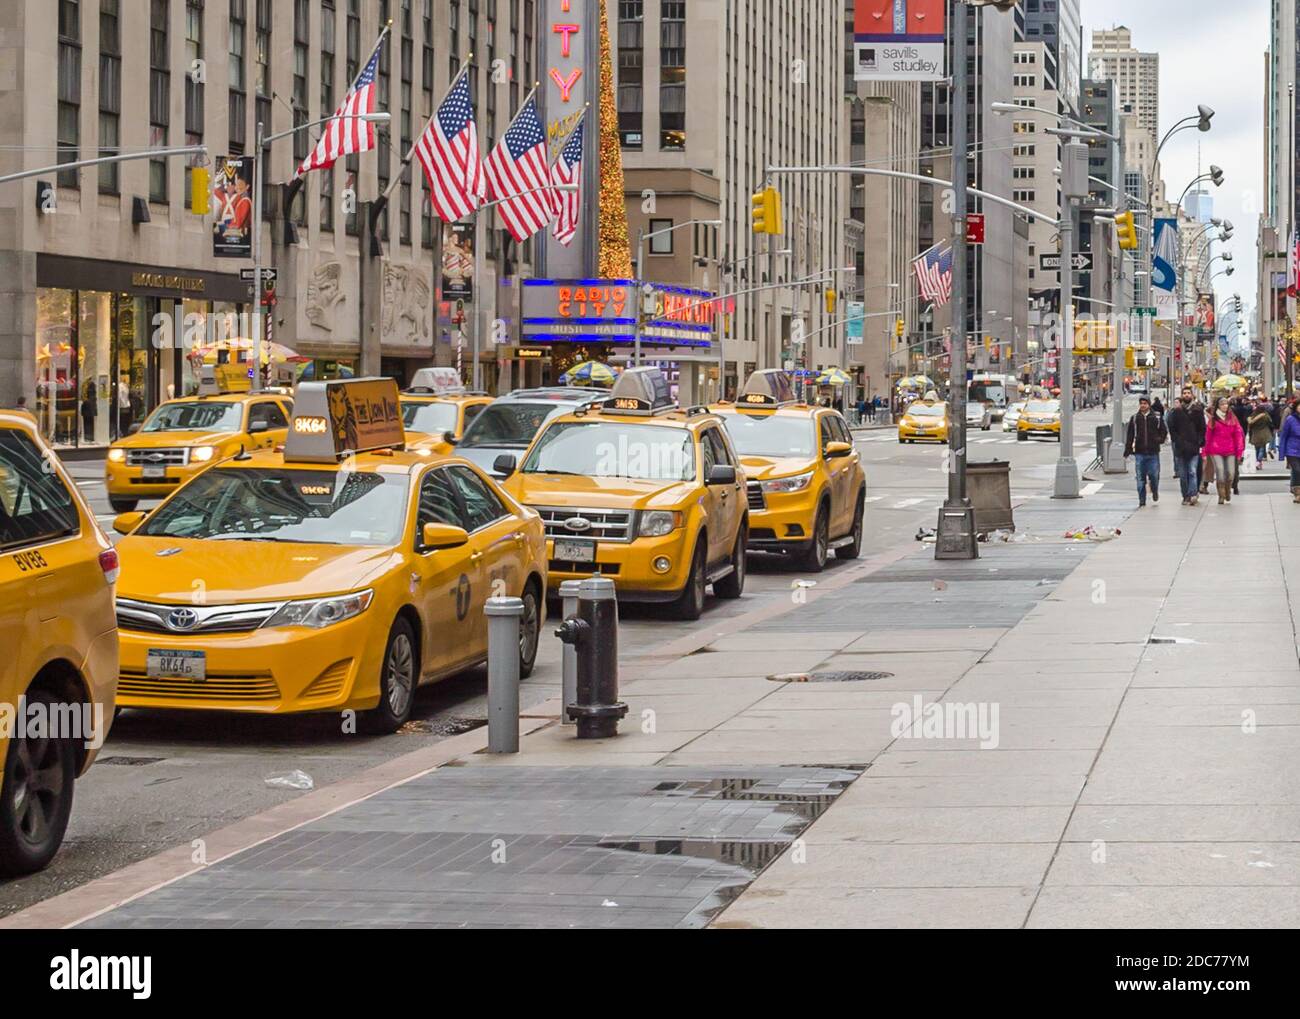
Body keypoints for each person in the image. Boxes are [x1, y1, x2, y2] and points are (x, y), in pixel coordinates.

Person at [1124, 395, 1168, 508]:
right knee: (1140, 478)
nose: (1143, 405)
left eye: (1145, 403)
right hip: (1139, 452)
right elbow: (1130, 435)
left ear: (1149, 404)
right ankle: (1142, 500)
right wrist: (1128, 449)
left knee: (1154, 475)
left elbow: (1163, 431)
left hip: (1153, 452)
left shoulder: (1156, 417)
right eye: (1141, 403)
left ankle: (1154, 490)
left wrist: (1159, 440)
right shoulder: (1135, 418)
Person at [1204, 396, 1245, 505]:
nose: (1225, 406)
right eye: (1222, 404)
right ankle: (1221, 494)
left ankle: (1228, 490)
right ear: (1218, 406)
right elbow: (1207, 436)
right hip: (1216, 449)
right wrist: (1205, 451)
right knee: (1220, 471)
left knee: (1231, 473)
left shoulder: (1233, 418)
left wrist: (1240, 450)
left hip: (1230, 449)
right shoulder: (1213, 419)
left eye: (1226, 404)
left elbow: (1238, 434)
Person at [1167, 395, 1205, 506]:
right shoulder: (1176, 412)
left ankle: (1193, 494)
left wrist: (1199, 441)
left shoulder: (1197, 411)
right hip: (1181, 447)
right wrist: (1176, 440)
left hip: (1193, 447)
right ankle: (1185, 495)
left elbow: (1202, 428)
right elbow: (1172, 427)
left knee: (1192, 471)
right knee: (1183, 475)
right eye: (1185, 393)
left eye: (1189, 392)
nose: (1187, 395)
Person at [1280, 399, 1300, 503]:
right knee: (1297, 470)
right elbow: (1284, 436)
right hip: (1292, 450)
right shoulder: (1290, 419)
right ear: (1296, 407)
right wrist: (1282, 454)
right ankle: (1298, 493)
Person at [1248, 399, 1275, 471]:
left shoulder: (1253, 416)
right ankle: (1259, 461)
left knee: (1257, 449)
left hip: (1255, 434)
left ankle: (1258, 462)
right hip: (1264, 433)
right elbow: (1270, 424)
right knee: (1262, 449)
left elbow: (1250, 425)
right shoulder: (1266, 416)